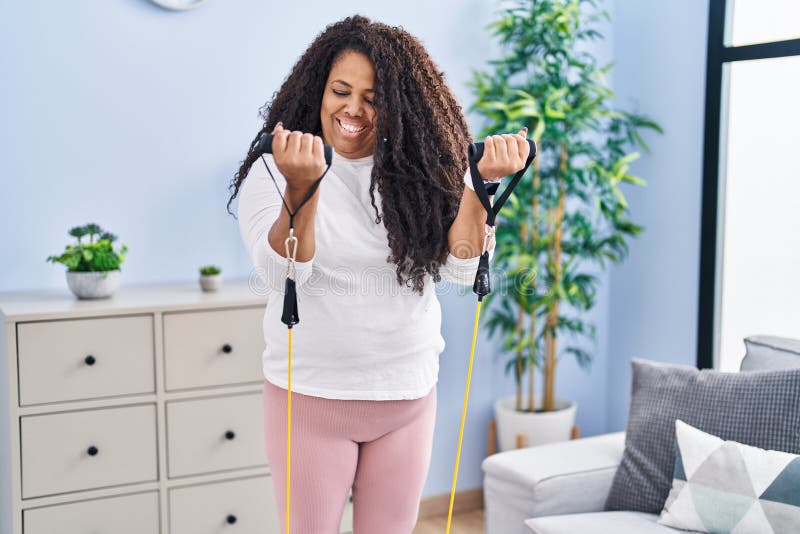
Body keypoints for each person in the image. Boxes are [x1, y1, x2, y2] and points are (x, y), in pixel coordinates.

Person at [227, 14, 530, 534]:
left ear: (398, 103)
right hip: (312, 399)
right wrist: (303, 189)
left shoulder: (424, 170)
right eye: (340, 91)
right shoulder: (276, 168)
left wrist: (479, 185)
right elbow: (280, 273)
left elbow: (460, 267)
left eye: (373, 96)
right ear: (316, 91)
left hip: (407, 397)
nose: (353, 108)